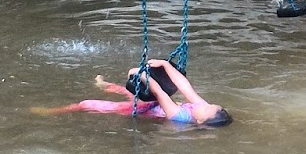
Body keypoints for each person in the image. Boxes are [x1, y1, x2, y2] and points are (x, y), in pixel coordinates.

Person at [34, 58, 233, 127]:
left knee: (87, 104)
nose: (205, 105)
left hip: (143, 111)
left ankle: (53, 111)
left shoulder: (180, 117)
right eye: (210, 104)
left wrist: (144, 75)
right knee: (124, 89)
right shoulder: (200, 108)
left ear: (199, 122)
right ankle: (103, 85)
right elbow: (184, 85)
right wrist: (164, 64)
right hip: (155, 103)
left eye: (207, 109)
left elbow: (161, 94)